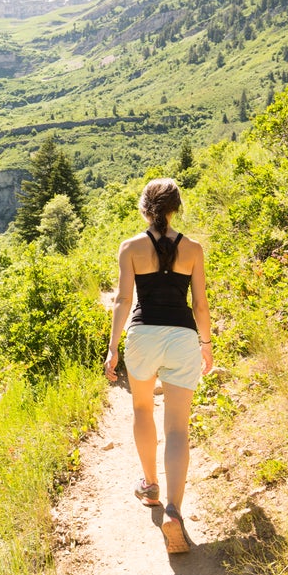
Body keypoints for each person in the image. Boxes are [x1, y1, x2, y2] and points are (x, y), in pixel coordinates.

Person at [104, 177, 213, 554]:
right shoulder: (194, 249)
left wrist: (113, 347)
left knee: (141, 408)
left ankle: (150, 485)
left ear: (145, 208)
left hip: (143, 336)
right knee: (178, 428)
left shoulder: (130, 247)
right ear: (175, 207)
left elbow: (122, 300)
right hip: (183, 338)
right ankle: (173, 511)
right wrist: (207, 344)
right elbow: (200, 306)